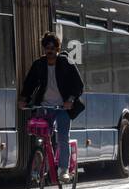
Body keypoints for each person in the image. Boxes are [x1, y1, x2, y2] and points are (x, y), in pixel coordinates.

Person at [18, 31, 85, 180]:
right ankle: (39, 167)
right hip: (44, 107)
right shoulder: (38, 65)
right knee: (39, 137)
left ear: (58, 49)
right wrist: (24, 98)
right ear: (43, 49)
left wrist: (71, 100)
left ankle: (63, 170)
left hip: (62, 108)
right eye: (47, 48)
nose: (50, 51)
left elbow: (79, 85)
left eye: (53, 48)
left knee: (62, 137)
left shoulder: (67, 63)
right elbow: (29, 84)